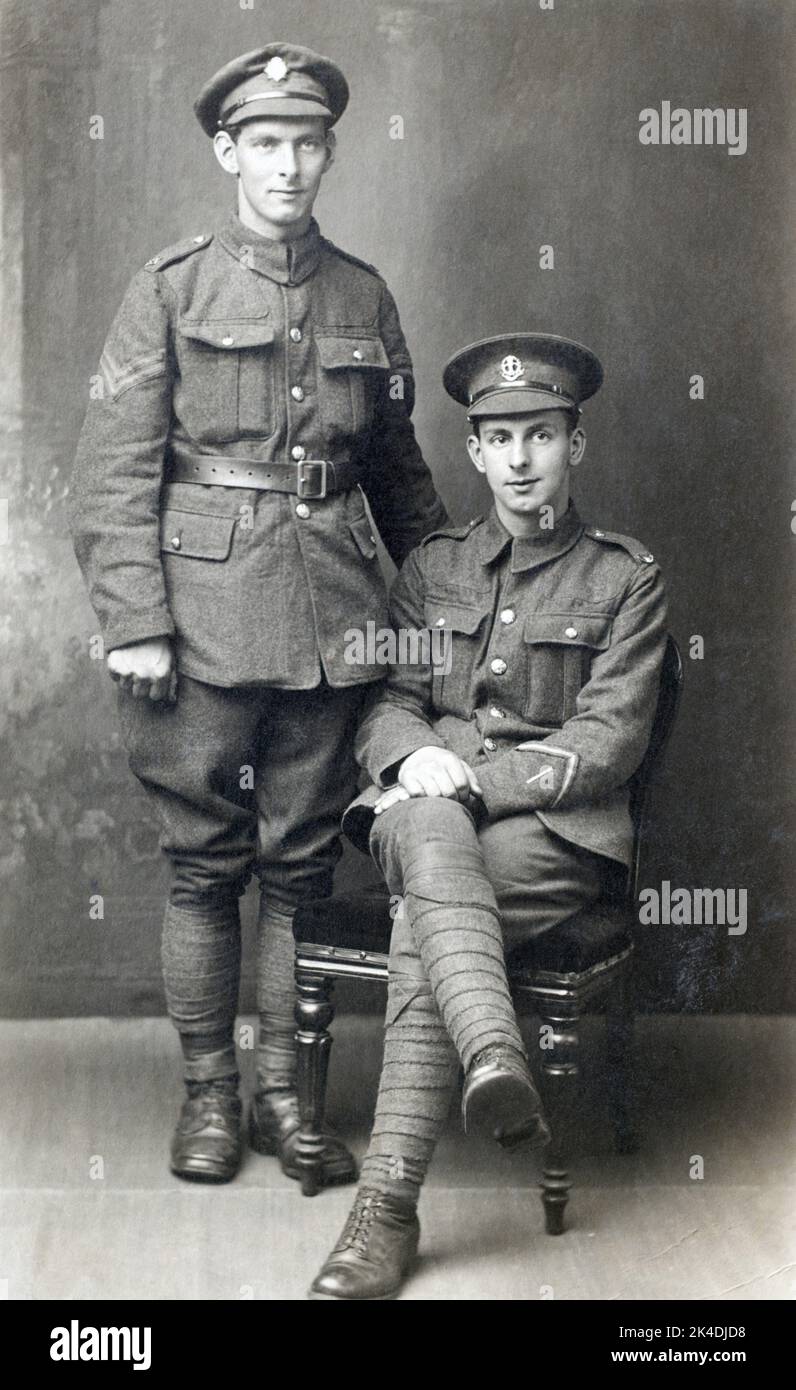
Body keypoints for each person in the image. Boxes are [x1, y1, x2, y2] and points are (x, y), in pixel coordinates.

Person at [66, 43, 448, 1188]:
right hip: (194, 623)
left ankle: (286, 1096)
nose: (289, 165)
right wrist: (135, 616)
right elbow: (112, 470)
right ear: (229, 152)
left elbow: (399, 470)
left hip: (334, 616)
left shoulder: (363, 294)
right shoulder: (170, 287)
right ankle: (208, 1099)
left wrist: (452, 601)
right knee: (202, 868)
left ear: (330, 151)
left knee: (298, 875)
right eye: (266, 144)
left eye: (308, 143)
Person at [309, 332, 668, 1298]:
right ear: (472, 452)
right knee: (427, 835)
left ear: (574, 446)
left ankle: (383, 1213)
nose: (520, 459)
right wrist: (410, 752)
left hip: (554, 836)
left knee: (425, 911)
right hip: (428, 807)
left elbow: (608, 742)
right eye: (499, 437)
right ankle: (491, 1053)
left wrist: (476, 784)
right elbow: (388, 696)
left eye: (540, 435)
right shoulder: (435, 569)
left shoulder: (625, 577)